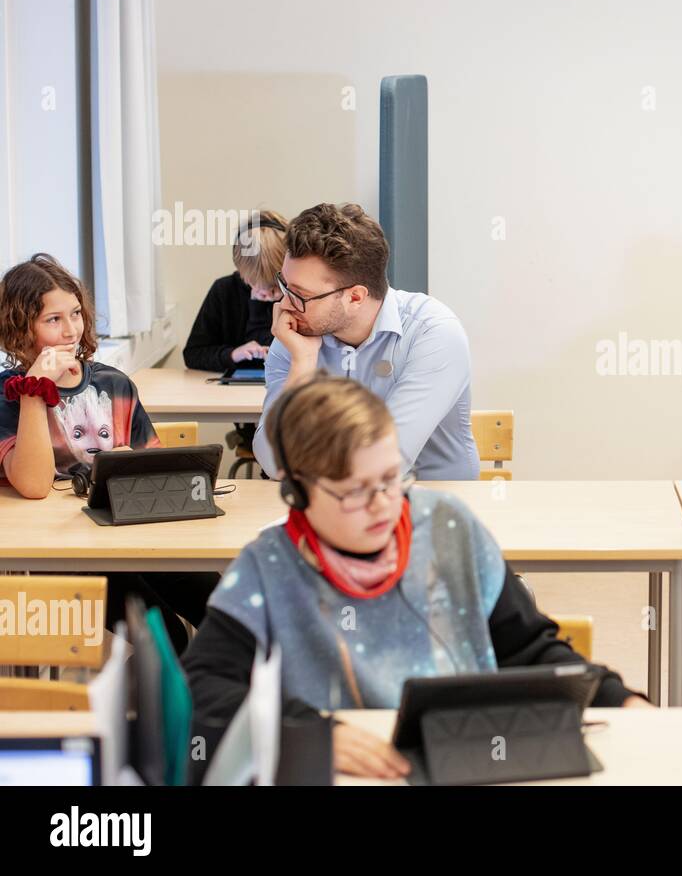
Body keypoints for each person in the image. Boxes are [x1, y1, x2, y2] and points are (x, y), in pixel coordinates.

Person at [184, 376, 648, 780]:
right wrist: (305, 731)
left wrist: (616, 697)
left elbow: (525, 648)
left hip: (464, 761)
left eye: (390, 478)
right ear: (297, 491)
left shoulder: (448, 525)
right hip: (343, 772)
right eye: (354, 491)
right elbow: (202, 687)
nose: (383, 504)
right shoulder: (268, 567)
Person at [0, 254, 217, 651]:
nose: (71, 331)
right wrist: (34, 391)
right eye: (53, 320)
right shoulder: (9, 396)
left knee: (220, 606)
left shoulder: (113, 384)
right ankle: (165, 705)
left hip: (128, 537)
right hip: (64, 553)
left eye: (76, 314)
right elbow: (33, 485)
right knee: (164, 635)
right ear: (20, 330)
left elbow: (157, 474)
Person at [251, 203, 479, 480]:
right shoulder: (296, 335)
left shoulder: (434, 333)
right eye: (284, 285)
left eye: (299, 294)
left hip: (430, 507)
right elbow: (274, 464)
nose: (283, 303)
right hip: (334, 508)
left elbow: (383, 465)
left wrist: (302, 459)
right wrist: (303, 363)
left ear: (355, 297)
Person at [183, 209, 287, 450]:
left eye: (274, 287)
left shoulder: (300, 294)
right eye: (254, 285)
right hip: (245, 412)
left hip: (291, 407)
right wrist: (233, 354)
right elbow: (193, 353)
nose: (265, 295)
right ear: (241, 271)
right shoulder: (224, 291)